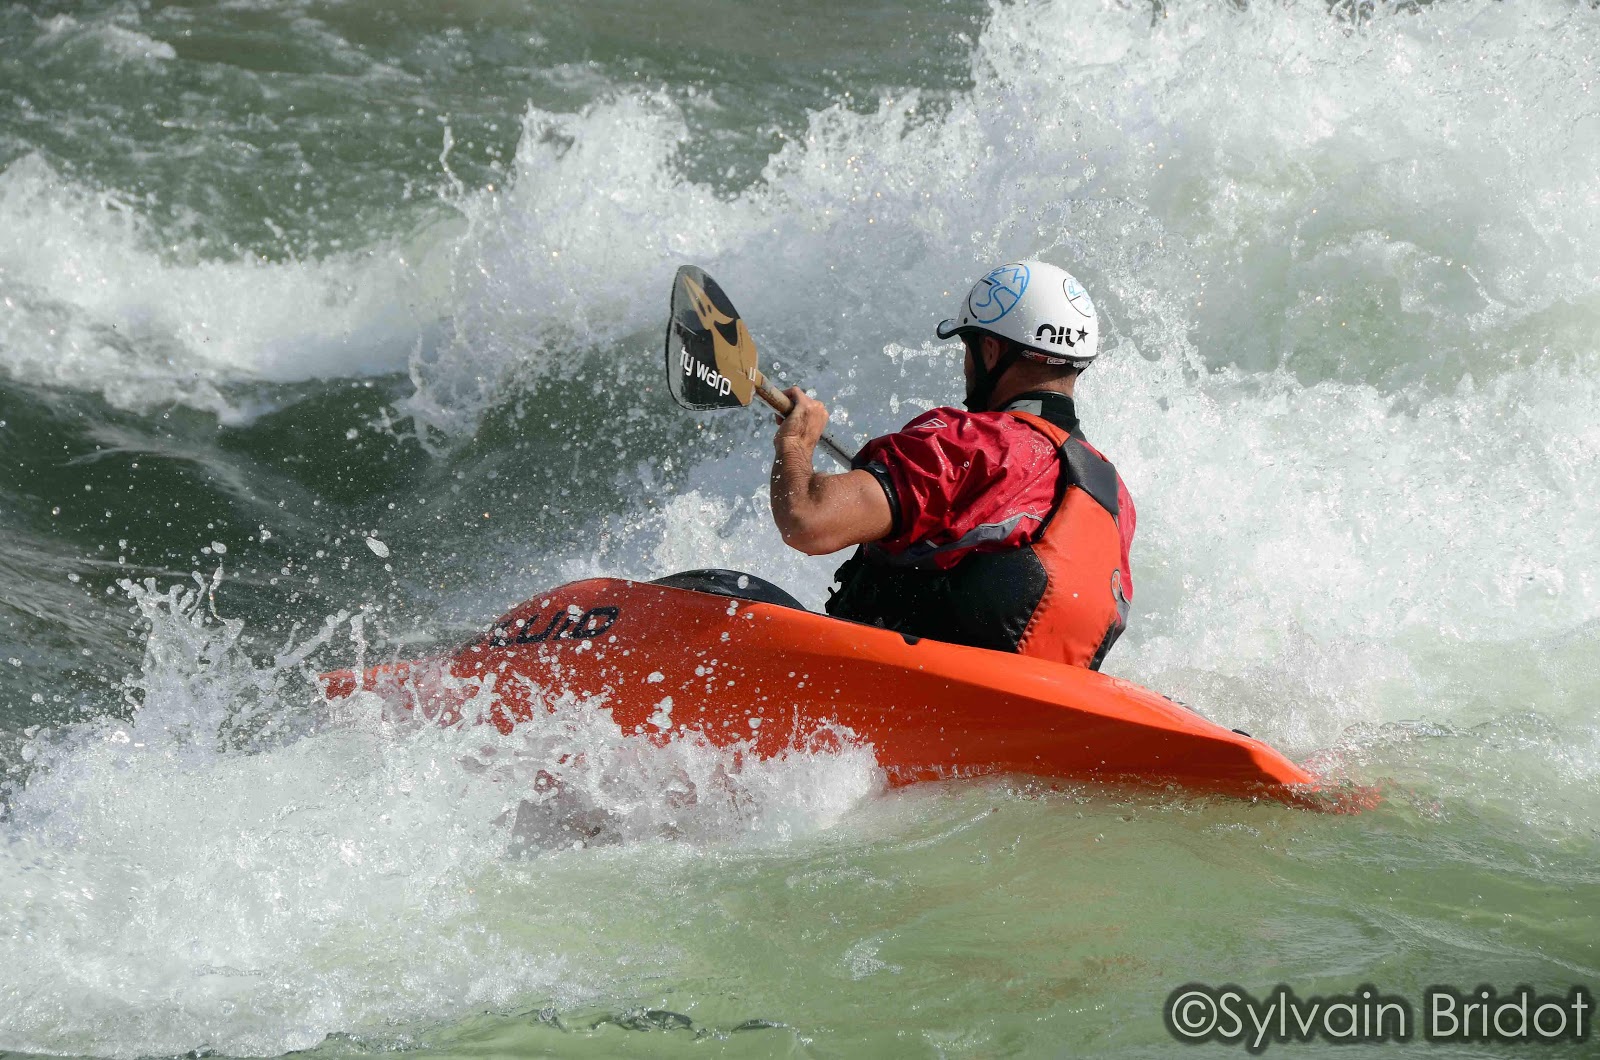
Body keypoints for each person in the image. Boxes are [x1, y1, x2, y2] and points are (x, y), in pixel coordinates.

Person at [768, 260, 1135, 670]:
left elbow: (806, 519)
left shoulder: (973, 442)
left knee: (720, 590)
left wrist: (796, 443)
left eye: (968, 348)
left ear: (990, 351)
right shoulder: (1112, 494)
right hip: (1034, 712)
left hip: (903, 696)